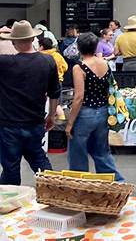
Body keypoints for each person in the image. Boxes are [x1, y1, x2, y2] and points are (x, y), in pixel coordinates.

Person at [0, 21, 60, 185]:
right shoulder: (48, 61)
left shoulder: (5, 63)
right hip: (35, 122)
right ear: (33, 39)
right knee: (38, 159)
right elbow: (55, 92)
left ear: (13, 42)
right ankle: (56, 190)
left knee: (10, 167)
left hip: (9, 124)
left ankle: (10, 202)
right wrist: (51, 115)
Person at [65, 32, 124, 182]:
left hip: (85, 113)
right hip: (103, 112)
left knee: (78, 154)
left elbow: (78, 97)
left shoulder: (79, 67)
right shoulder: (104, 63)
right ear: (96, 46)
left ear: (78, 48)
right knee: (102, 152)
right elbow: (108, 90)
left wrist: (70, 123)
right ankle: (116, 183)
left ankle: (81, 186)